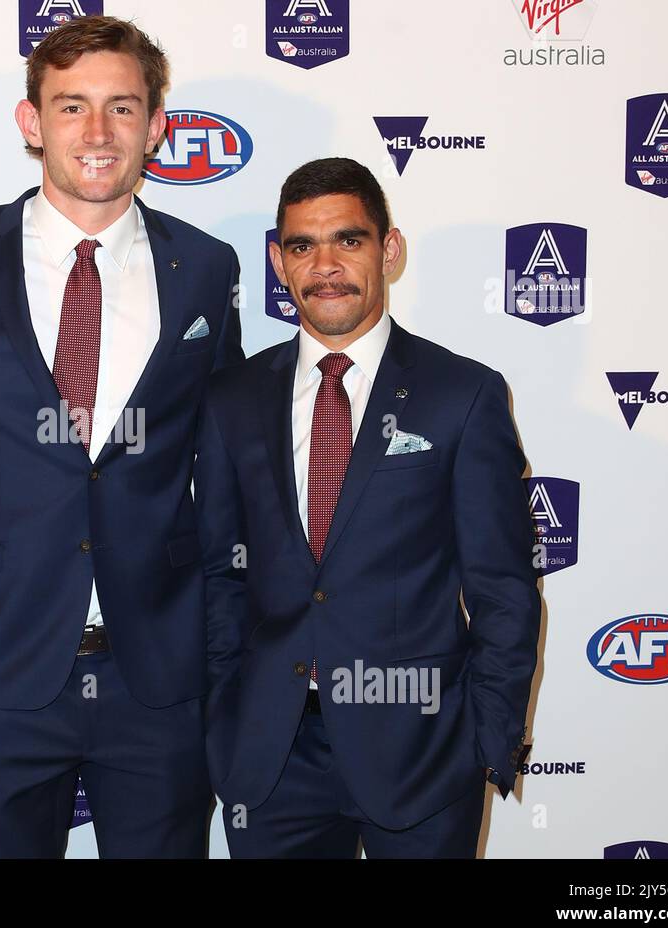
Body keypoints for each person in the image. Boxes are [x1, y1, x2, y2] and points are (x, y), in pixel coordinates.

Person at [0, 15, 243, 858]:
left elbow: (227, 463)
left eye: (122, 108)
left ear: (157, 126)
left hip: (156, 676)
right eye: (72, 107)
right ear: (30, 122)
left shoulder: (205, 267)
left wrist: (224, 658)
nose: (97, 133)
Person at [198, 157, 539, 858]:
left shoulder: (463, 396)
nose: (326, 266)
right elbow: (220, 579)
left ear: (389, 250)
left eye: (348, 240)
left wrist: (486, 738)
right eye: (302, 246)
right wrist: (225, 718)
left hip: (421, 754)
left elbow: (503, 588)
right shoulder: (232, 399)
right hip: (272, 758)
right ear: (278, 261)